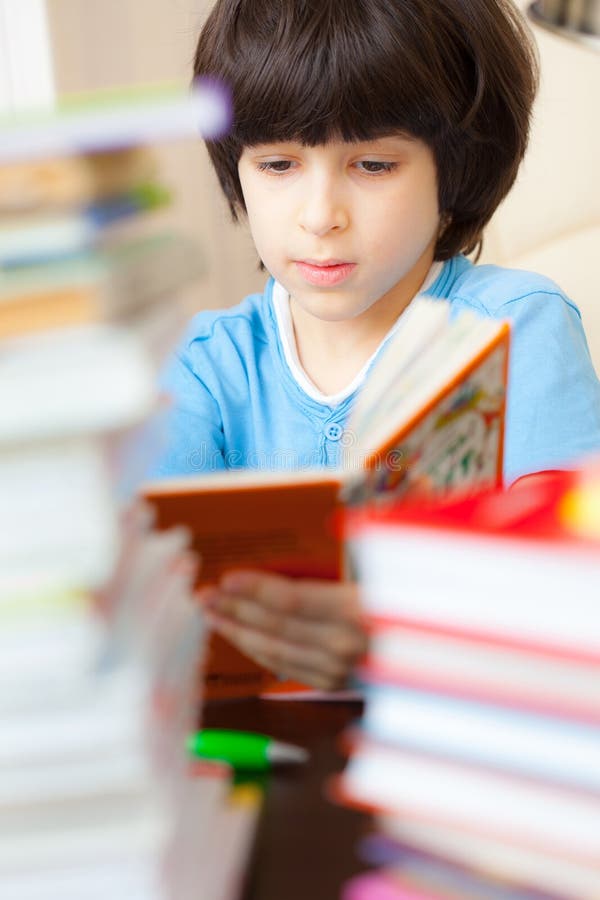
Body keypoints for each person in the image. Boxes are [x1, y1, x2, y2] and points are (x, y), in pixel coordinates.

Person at [154, 0, 600, 690]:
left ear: (455, 170)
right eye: (277, 165)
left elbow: (575, 570)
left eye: (371, 165)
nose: (319, 216)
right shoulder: (208, 365)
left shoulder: (516, 326)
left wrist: (395, 633)